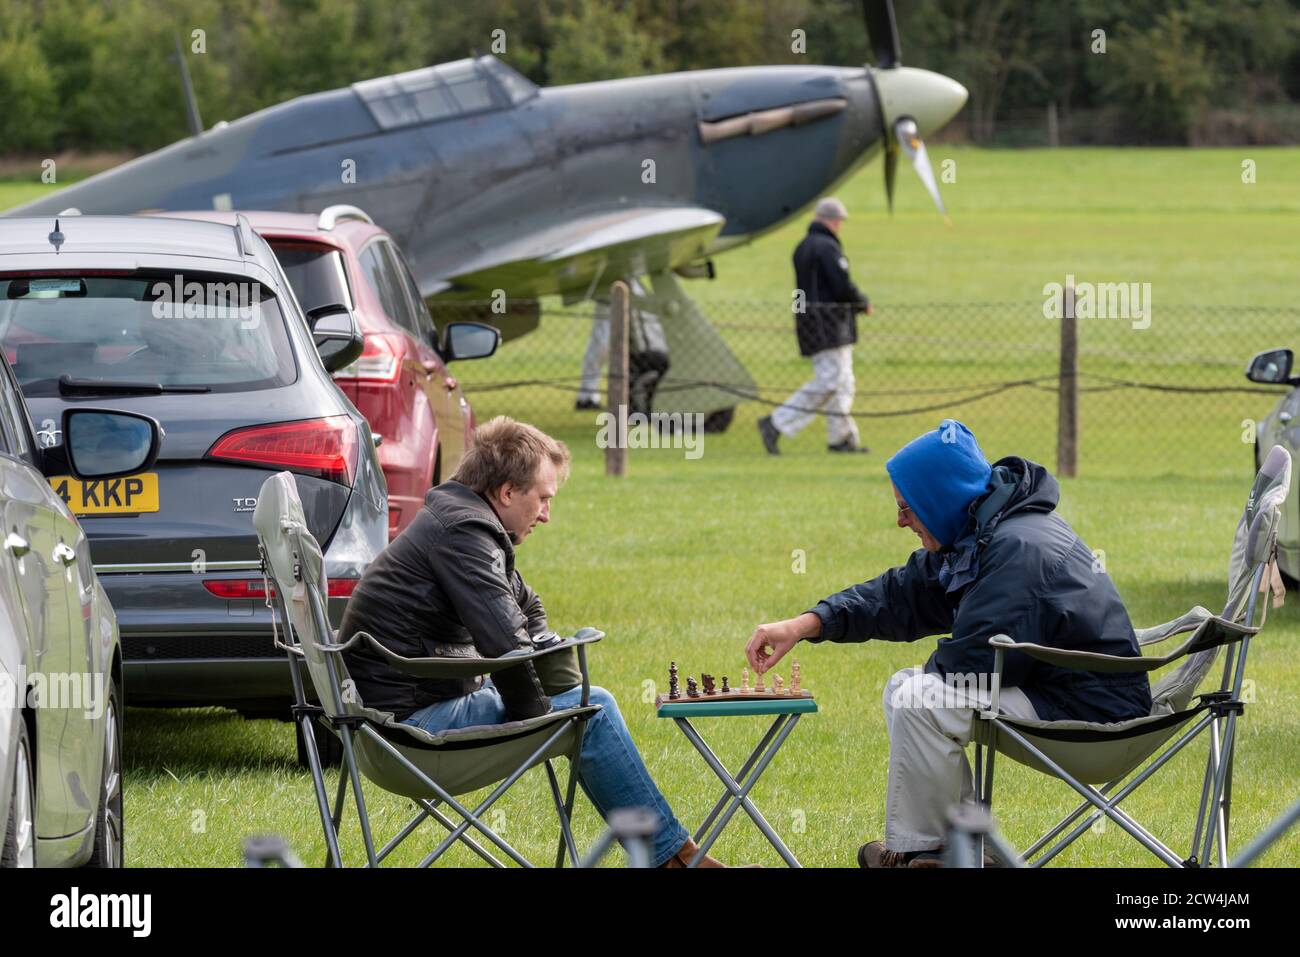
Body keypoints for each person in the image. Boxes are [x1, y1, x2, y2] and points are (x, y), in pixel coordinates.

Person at [744, 419, 1153, 867]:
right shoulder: (982, 533)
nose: (900, 520)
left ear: (939, 500)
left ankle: (937, 855)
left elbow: (976, 660)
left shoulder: (1017, 547)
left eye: (907, 506)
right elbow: (901, 594)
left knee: (920, 697)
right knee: (908, 688)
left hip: (1099, 723)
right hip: (1062, 695)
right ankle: (950, 853)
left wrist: (934, 672)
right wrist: (807, 624)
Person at [340, 415, 725, 867]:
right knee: (593, 710)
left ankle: (675, 857)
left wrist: (543, 659)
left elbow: (527, 607)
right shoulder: (465, 534)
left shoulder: (461, 521)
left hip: (385, 725)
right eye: (542, 499)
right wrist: (539, 720)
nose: (546, 514)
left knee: (582, 701)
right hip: (409, 734)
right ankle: (673, 860)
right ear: (506, 492)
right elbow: (507, 647)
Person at [758, 197, 871, 455]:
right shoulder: (828, 247)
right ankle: (776, 423)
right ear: (832, 220)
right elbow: (841, 285)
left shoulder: (802, 247)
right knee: (831, 380)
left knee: (843, 382)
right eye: (840, 221)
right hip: (830, 325)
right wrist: (862, 303)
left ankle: (841, 438)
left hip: (810, 322)